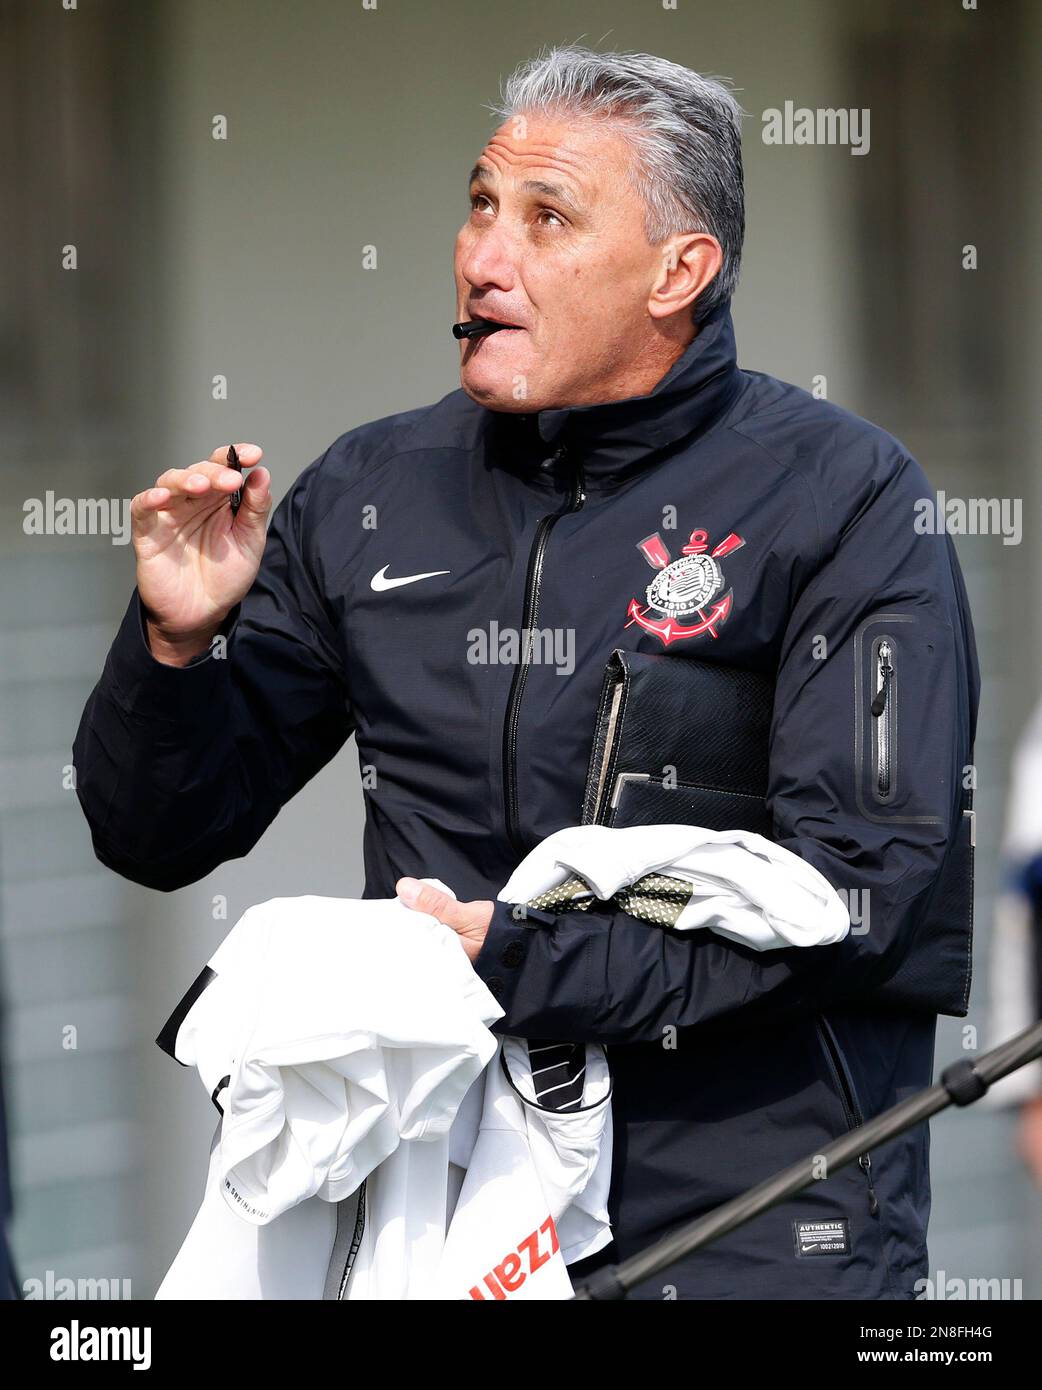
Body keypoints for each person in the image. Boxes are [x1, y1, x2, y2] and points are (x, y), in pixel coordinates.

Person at [73, 46, 979, 1299]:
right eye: (481, 203)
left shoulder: (849, 496)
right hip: (431, 1223)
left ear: (679, 271)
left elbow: (870, 907)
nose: (482, 255)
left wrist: (512, 957)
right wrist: (173, 645)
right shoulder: (369, 492)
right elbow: (159, 831)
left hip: (761, 1233)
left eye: (546, 218)